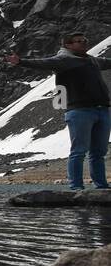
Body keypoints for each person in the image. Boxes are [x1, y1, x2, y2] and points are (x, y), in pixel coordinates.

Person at [6, 32, 111, 189]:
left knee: (99, 153)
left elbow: (108, 62)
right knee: (79, 151)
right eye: (79, 41)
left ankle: (101, 187)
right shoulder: (64, 60)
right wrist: (20, 61)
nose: (84, 43)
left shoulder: (92, 60)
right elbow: (43, 63)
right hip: (80, 110)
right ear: (68, 45)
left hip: (102, 109)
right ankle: (76, 187)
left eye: (86, 40)